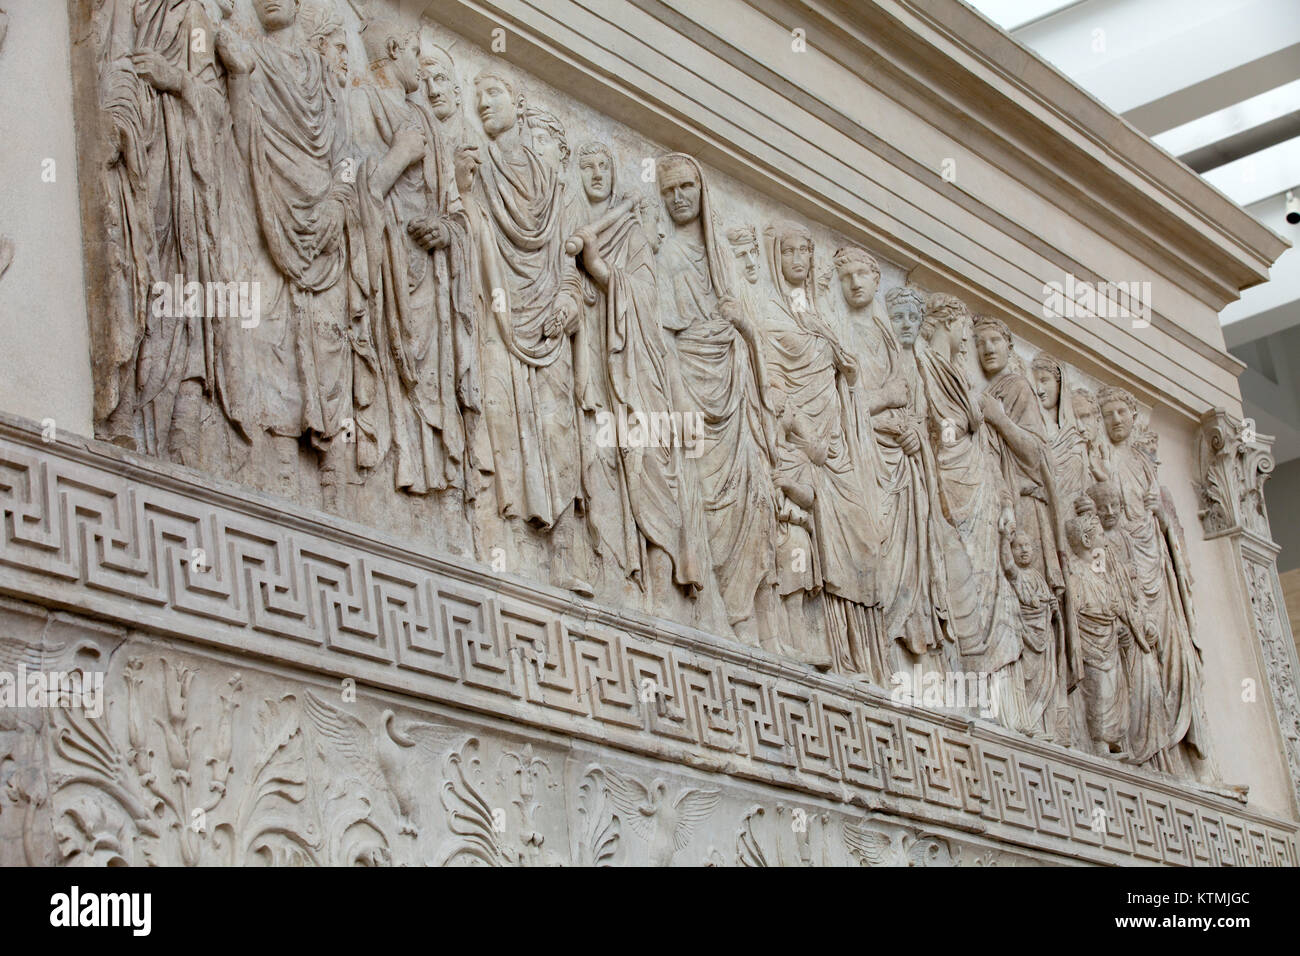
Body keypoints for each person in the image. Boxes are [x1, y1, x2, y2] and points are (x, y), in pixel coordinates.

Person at [654, 153, 780, 646]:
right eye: (669, 191)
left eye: (687, 186)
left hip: (737, 396)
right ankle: (710, 613)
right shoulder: (667, 257)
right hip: (694, 387)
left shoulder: (724, 263)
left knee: (753, 502)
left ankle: (748, 618)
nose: (679, 197)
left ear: (703, 191)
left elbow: (751, 339)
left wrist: (744, 326)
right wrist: (681, 397)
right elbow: (665, 337)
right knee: (702, 499)